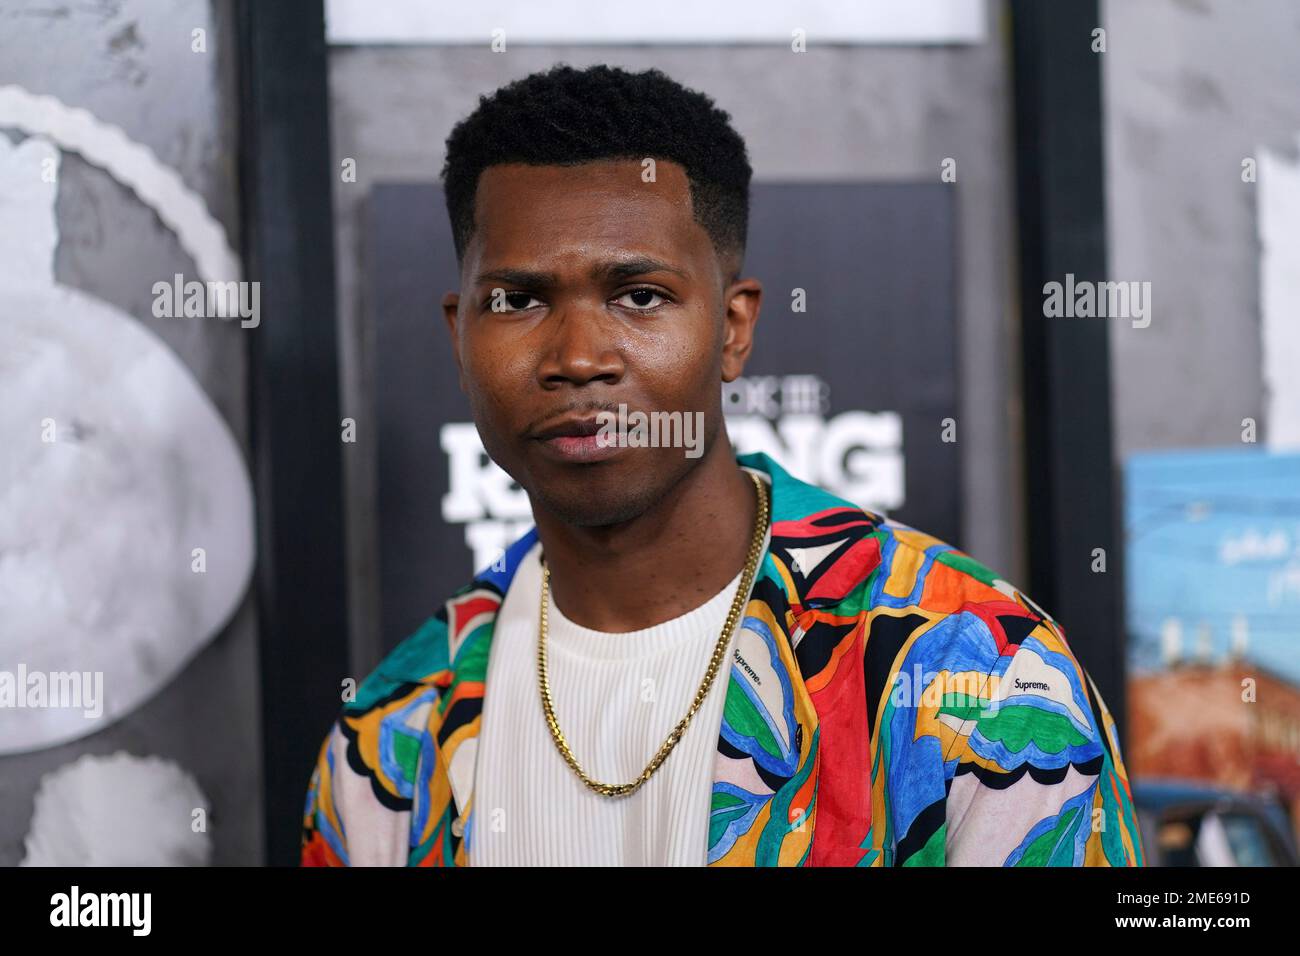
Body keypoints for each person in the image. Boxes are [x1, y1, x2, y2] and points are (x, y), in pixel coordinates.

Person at [301, 63, 1143, 867]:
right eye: (518, 301)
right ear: (460, 337)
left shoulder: (977, 675)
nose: (580, 357)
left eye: (640, 296)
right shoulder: (392, 734)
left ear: (735, 328)